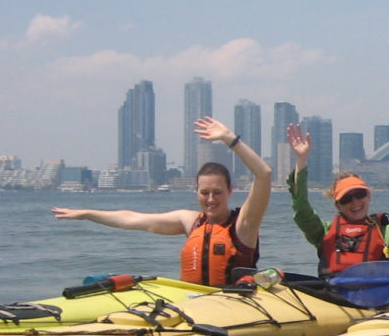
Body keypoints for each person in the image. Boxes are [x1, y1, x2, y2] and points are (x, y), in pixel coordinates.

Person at [52, 117, 272, 286]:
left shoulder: (244, 225)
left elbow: (263, 174)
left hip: (234, 308)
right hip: (194, 307)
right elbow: (133, 219)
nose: (211, 199)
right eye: (205, 193)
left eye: (217, 192)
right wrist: (87, 214)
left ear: (230, 191)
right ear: (197, 191)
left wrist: (229, 138)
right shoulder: (192, 222)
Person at [283, 123, 389, 277]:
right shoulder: (323, 233)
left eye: (359, 194)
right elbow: (301, 208)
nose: (355, 202)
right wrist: (301, 160)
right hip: (332, 298)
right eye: (346, 198)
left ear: (368, 196)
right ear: (337, 205)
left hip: (374, 301)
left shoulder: (386, 233)